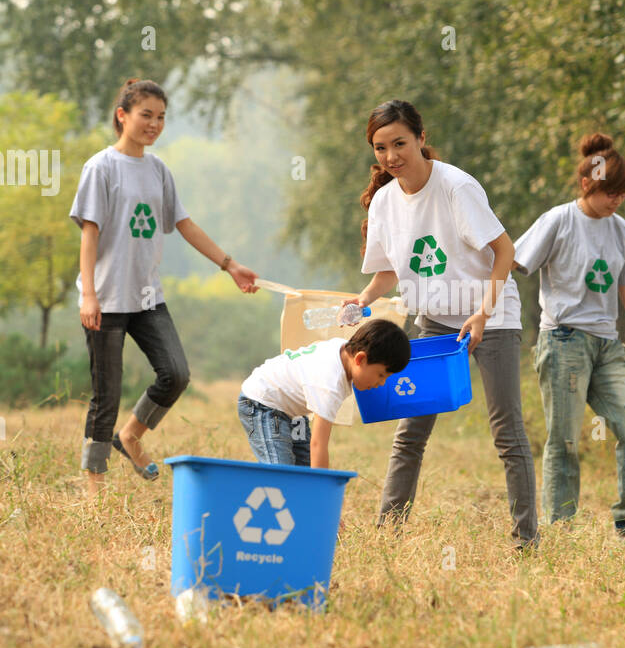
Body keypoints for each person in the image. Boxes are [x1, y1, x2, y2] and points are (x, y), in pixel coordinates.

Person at [347, 99, 539, 548]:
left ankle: (525, 542)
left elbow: (504, 252)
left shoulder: (456, 187)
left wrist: (483, 314)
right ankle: (388, 534)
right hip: (434, 321)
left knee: (506, 431)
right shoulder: (384, 202)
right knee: (410, 430)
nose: (391, 156)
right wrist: (363, 300)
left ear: (420, 139)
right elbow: (388, 272)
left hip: (490, 317)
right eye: (380, 147)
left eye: (399, 144)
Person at [70, 77, 259, 495]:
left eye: (160, 118)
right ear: (123, 116)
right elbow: (90, 232)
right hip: (106, 298)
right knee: (107, 394)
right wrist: (88, 294)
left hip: (146, 296)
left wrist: (229, 265)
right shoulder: (100, 167)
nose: (154, 125)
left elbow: (184, 224)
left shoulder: (158, 170)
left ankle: (131, 435)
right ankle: (94, 487)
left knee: (175, 373)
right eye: (145, 116)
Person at [512, 132, 625, 540]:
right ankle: (560, 527)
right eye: (609, 192)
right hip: (563, 342)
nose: (616, 200)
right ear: (586, 184)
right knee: (564, 439)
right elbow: (513, 260)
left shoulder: (621, 230)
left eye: (623, 193)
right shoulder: (558, 221)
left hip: (607, 346)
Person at [238, 319, 410, 468]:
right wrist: (323, 493)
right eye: (381, 375)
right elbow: (318, 444)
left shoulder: (343, 348)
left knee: (303, 471)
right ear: (360, 359)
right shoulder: (329, 384)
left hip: (293, 413)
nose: (381, 383)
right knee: (281, 475)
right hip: (263, 404)